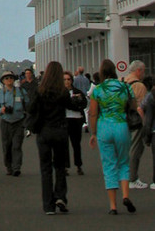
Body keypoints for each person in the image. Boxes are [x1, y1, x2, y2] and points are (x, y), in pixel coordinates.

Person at [89, 58, 137, 214]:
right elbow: (133, 106)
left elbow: (93, 113)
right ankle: (125, 195)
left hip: (104, 127)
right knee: (124, 162)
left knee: (109, 165)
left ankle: (113, 206)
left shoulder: (98, 89)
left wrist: (93, 133)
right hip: (121, 126)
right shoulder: (125, 87)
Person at [27, 61, 70, 214]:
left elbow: (31, 108)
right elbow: (71, 105)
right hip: (60, 131)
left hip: (44, 132)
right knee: (59, 166)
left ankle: (48, 205)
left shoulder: (40, 91)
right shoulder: (63, 92)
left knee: (45, 169)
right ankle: (60, 196)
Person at [0, 70, 26, 176]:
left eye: (11, 78)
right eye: (6, 78)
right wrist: (0, 110)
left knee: (17, 145)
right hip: (6, 122)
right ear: (3, 81)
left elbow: (28, 103)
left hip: (18, 122)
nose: (9, 80)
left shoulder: (21, 91)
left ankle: (17, 167)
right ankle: (8, 166)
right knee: (7, 146)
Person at [125, 60, 148, 188]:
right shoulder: (139, 86)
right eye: (143, 71)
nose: (144, 73)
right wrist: (145, 124)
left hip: (122, 120)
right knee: (136, 148)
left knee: (126, 149)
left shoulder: (122, 81)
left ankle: (125, 176)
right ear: (138, 70)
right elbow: (141, 107)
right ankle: (133, 178)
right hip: (136, 121)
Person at [63, 70, 87, 174]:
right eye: (64, 80)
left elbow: (84, 103)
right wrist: (73, 104)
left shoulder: (78, 92)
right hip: (64, 119)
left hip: (76, 119)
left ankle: (79, 165)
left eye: (69, 79)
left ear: (72, 80)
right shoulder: (60, 93)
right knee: (64, 145)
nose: (67, 82)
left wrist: (78, 103)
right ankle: (65, 167)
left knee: (76, 144)